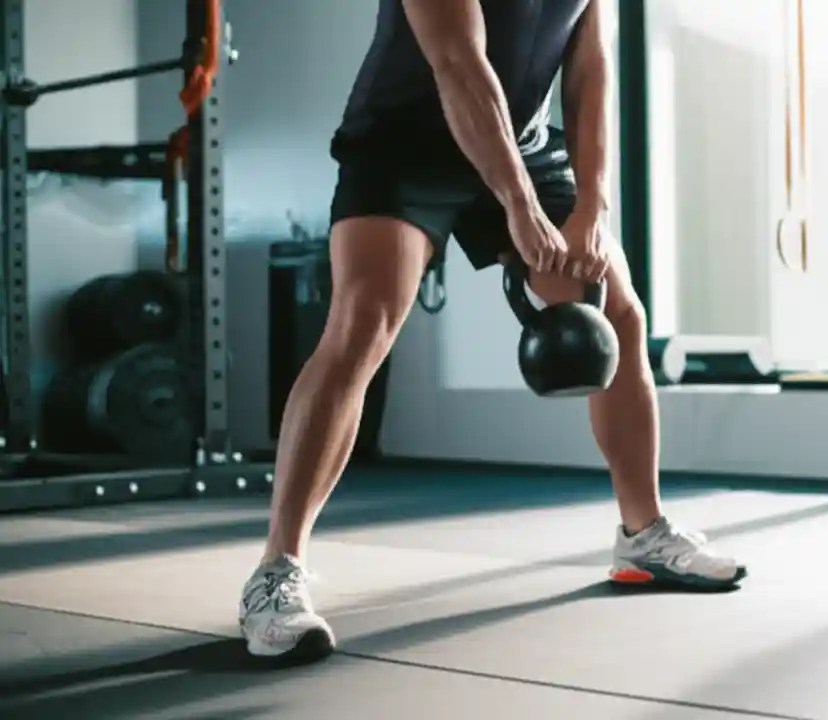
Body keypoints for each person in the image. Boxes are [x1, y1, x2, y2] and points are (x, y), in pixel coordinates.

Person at [237, 0, 747, 660]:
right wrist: (517, 204)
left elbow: (590, 67)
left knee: (617, 313)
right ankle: (276, 572)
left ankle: (643, 535)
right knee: (362, 324)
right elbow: (458, 62)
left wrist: (591, 206)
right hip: (405, 147)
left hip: (525, 143)